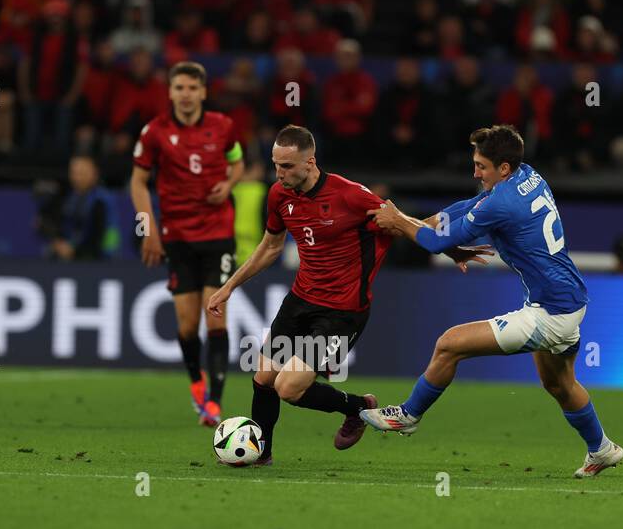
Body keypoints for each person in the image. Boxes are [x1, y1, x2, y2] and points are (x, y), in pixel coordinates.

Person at [205, 126, 485, 464]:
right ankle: (261, 453)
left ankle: (355, 408)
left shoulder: (350, 196)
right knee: (264, 378)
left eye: (287, 166)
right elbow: (270, 247)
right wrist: (229, 287)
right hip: (299, 301)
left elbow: (399, 221)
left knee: (289, 388)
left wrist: (450, 249)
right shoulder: (280, 195)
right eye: (276, 164)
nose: (279, 173)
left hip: (342, 311)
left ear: (310, 162)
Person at [361, 124, 623, 479]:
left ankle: (408, 416)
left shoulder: (502, 203)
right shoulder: (527, 175)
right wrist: (412, 223)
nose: (475, 171)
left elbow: (438, 242)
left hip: (551, 312)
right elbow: (465, 208)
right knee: (559, 385)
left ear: (502, 168)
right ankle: (602, 449)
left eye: (481, 166)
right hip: (572, 300)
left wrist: (398, 221)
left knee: (449, 344)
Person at [130, 61, 243, 428]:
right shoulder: (155, 132)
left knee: (215, 317)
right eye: (179, 87)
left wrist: (228, 186)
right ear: (171, 92)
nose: (186, 94)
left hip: (218, 233)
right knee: (185, 324)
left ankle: (214, 402)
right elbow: (138, 182)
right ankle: (197, 381)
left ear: (203, 92)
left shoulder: (222, 126)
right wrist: (149, 229)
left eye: (192, 88)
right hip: (177, 237)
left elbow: (238, 162)